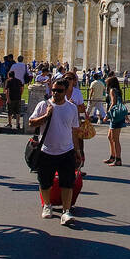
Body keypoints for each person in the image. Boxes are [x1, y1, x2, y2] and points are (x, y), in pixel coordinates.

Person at [28, 76, 86, 224]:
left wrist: (77, 151)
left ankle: (66, 211)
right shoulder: (43, 105)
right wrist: (46, 115)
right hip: (46, 150)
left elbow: (74, 131)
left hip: (66, 150)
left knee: (67, 183)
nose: (55, 93)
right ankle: (47, 206)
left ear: (65, 91)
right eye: (53, 90)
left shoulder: (72, 108)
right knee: (45, 182)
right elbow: (31, 123)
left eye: (59, 91)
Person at [104, 74, 126, 165]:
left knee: (115, 139)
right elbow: (121, 103)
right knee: (110, 137)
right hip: (117, 116)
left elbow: (113, 103)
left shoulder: (112, 90)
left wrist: (107, 115)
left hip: (115, 117)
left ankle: (118, 159)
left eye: (107, 83)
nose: (106, 84)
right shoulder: (117, 90)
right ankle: (112, 156)